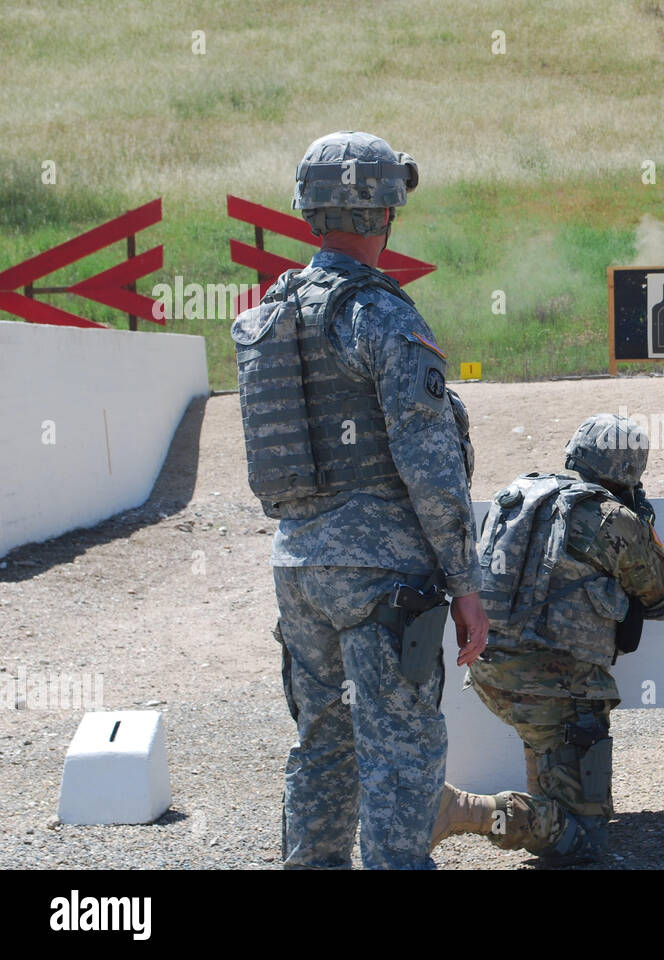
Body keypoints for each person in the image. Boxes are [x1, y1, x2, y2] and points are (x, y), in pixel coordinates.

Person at [230, 130, 488, 870]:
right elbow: (429, 463)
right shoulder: (381, 315)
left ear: (312, 211)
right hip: (381, 579)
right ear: (384, 213)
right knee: (401, 753)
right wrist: (467, 585)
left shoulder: (273, 313)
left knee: (323, 745)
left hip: (299, 568)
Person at [429, 414, 664, 864]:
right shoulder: (613, 519)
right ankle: (464, 811)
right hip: (560, 690)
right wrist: (645, 527)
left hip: (492, 673)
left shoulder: (519, 495)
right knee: (583, 839)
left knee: (553, 764)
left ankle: (535, 801)